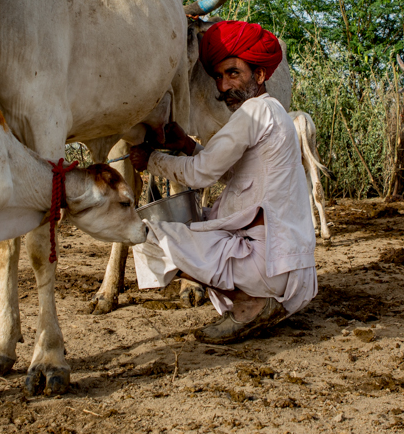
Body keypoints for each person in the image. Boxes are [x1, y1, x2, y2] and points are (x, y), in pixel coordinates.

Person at [128, 21, 317, 343]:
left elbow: (201, 174)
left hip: (264, 266)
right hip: (290, 268)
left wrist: (151, 161)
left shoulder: (252, 113)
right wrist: (188, 146)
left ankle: (251, 303)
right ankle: (258, 298)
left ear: (259, 75)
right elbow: (234, 173)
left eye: (233, 73)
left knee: (143, 236)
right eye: (218, 76)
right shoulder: (274, 113)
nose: (223, 85)